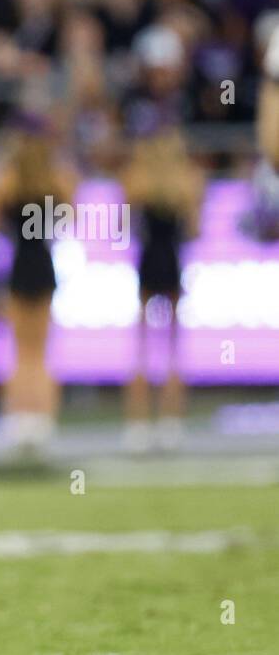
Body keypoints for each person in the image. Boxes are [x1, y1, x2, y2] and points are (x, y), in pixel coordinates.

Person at [0, 113, 75, 453]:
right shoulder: (55, 178)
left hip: (19, 263)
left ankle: (19, 420)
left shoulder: (7, 179)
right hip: (42, 261)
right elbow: (68, 217)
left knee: (20, 351)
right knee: (40, 350)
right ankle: (43, 420)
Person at [120, 119, 202, 452]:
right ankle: (171, 423)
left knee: (140, 348)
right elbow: (194, 229)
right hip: (171, 259)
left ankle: (138, 425)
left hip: (149, 259)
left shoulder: (136, 179)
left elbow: (123, 222)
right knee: (172, 347)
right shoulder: (186, 180)